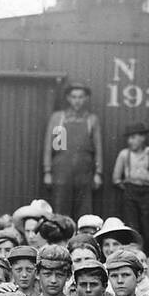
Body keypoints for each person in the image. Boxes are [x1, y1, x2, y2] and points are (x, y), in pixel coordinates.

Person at [43, 80, 104, 217]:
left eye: (81, 97)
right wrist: (47, 171)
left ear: (86, 99)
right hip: (61, 171)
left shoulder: (91, 120)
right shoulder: (58, 118)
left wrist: (98, 173)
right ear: (68, 98)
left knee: (84, 209)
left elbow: (98, 149)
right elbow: (49, 146)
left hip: (84, 171)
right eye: (74, 97)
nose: (77, 101)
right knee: (60, 208)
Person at [113, 122, 149, 252]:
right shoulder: (124, 154)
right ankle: (134, 257)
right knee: (132, 228)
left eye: (133, 137)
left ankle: (148, 259)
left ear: (143, 138)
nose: (129, 141)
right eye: (128, 138)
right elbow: (116, 178)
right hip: (131, 193)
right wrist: (128, 188)